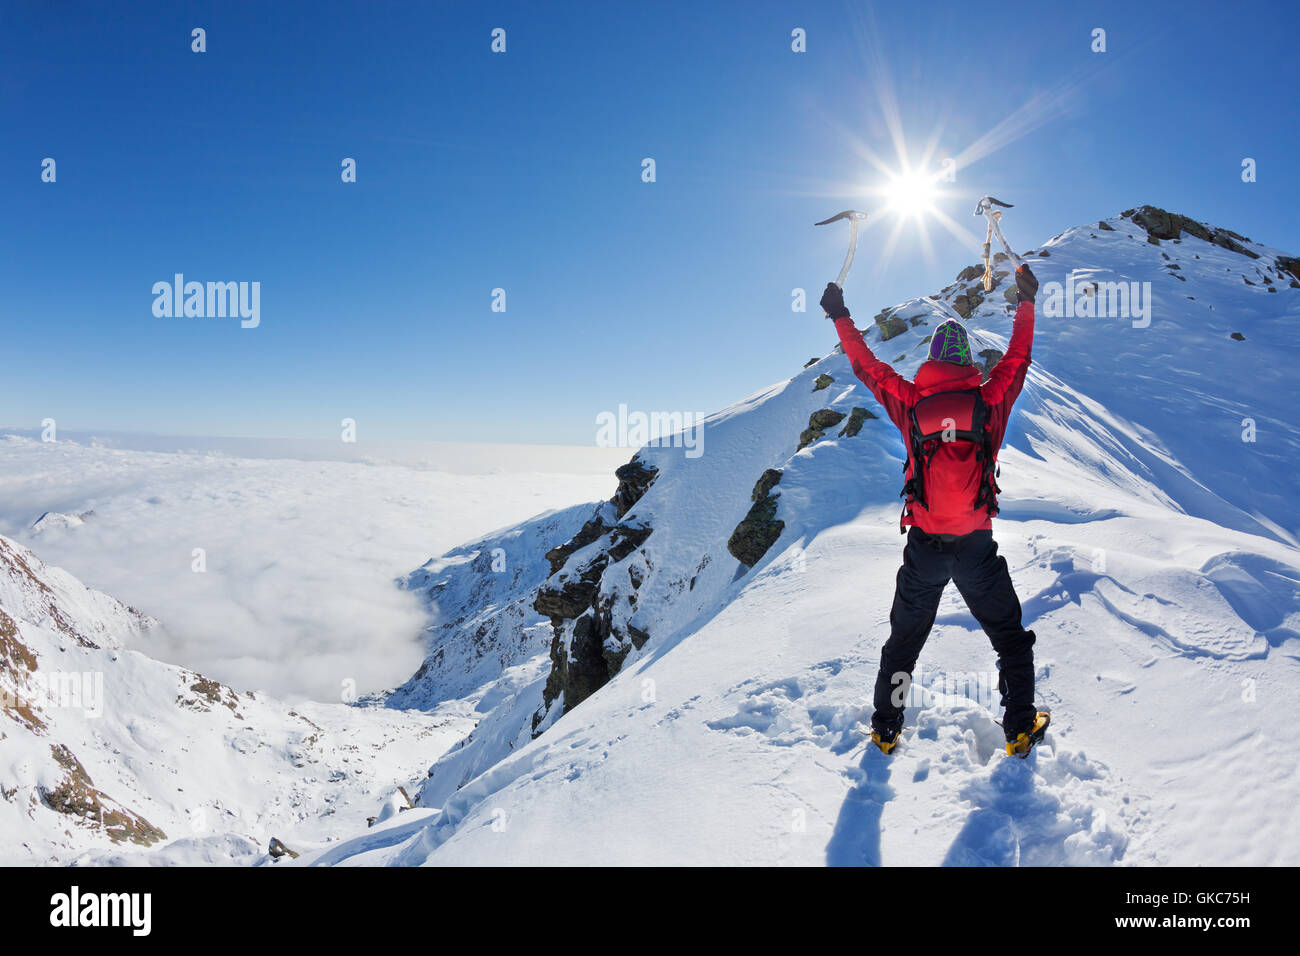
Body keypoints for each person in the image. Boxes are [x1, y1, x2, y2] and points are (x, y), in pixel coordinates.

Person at [820, 265, 1050, 757]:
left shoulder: (910, 401)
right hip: (976, 549)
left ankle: (886, 728)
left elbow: (865, 366)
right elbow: (1019, 357)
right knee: (1009, 638)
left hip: (923, 548)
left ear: (931, 360)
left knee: (904, 643)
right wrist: (1026, 303)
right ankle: (1020, 728)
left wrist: (840, 315)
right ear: (968, 360)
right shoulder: (990, 400)